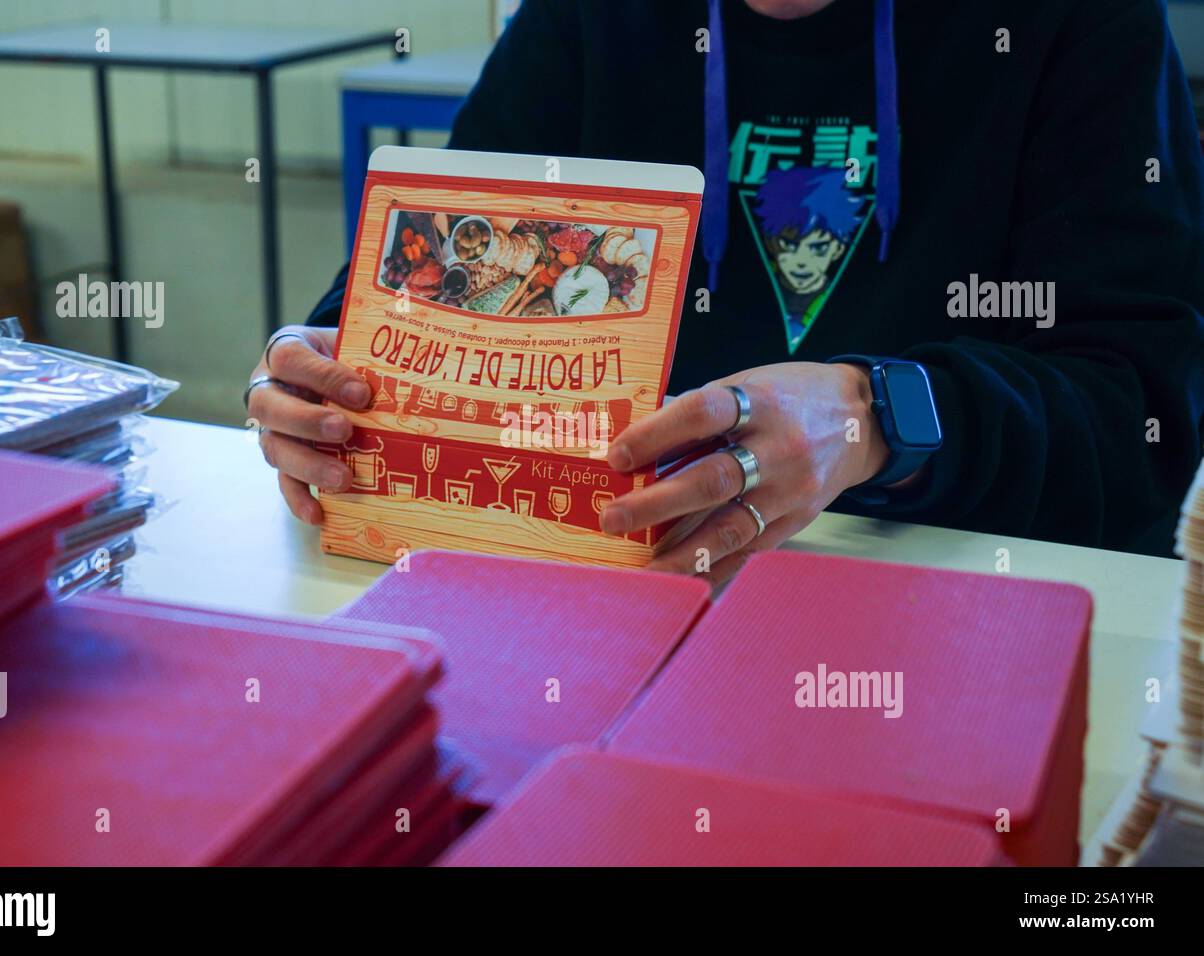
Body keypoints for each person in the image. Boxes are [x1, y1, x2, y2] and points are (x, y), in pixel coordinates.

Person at [246, 0, 1204, 581]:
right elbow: (426, 277)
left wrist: (877, 419)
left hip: (963, 607)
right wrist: (322, 370)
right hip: (618, 604)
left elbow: (1139, 419)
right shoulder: (589, 18)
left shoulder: (1079, 23)